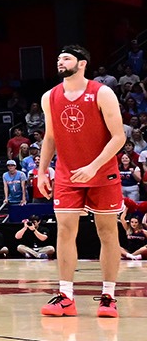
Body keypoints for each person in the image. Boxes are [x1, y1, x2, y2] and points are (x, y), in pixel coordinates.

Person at [37, 44, 127, 318]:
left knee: (107, 232)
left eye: (66, 58)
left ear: (82, 63)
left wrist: (94, 166)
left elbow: (119, 137)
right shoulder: (49, 97)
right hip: (67, 173)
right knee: (64, 230)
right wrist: (42, 172)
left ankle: (108, 297)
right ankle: (65, 296)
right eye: (58, 58)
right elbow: (50, 138)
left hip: (102, 172)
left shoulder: (102, 93)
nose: (60, 62)